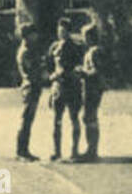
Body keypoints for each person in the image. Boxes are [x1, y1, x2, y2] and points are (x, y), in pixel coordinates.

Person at [47, 18, 82, 162]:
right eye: (59, 30)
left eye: (64, 31)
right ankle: (57, 152)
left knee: (74, 118)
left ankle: (74, 151)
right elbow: (49, 65)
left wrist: (70, 72)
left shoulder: (76, 47)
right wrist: (52, 76)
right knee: (56, 120)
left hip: (72, 87)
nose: (61, 33)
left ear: (69, 31)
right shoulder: (54, 47)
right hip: (58, 87)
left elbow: (79, 65)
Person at [15, 22, 42, 162]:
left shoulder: (29, 49)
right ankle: (21, 151)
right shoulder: (25, 52)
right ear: (28, 35)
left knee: (28, 119)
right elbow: (32, 70)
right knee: (26, 119)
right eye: (34, 33)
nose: (36, 36)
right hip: (30, 86)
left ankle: (25, 150)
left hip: (33, 86)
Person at [79, 23, 105, 162]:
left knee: (90, 118)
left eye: (85, 36)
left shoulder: (94, 51)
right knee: (89, 118)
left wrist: (83, 73)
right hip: (90, 88)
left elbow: (96, 71)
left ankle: (92, 150)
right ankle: (91, 149)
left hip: (93, 88)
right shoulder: (92, 51)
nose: (83, 39)